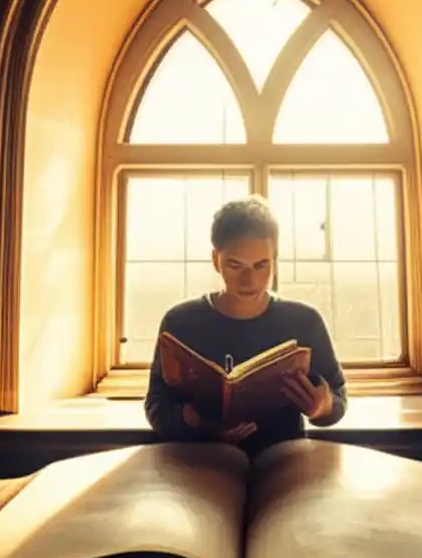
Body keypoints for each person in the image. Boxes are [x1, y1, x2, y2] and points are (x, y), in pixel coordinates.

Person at [144, 195, 348, 456]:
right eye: (235, 265)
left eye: (261, 265)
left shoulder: (304, 321)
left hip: (283, 457)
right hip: (204, 456)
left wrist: (323, 406)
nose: (249, 280)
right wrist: (194, 421)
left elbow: (338, 394)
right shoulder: (180, 322)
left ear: (275, 260)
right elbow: (156, 405)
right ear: (216, 260)